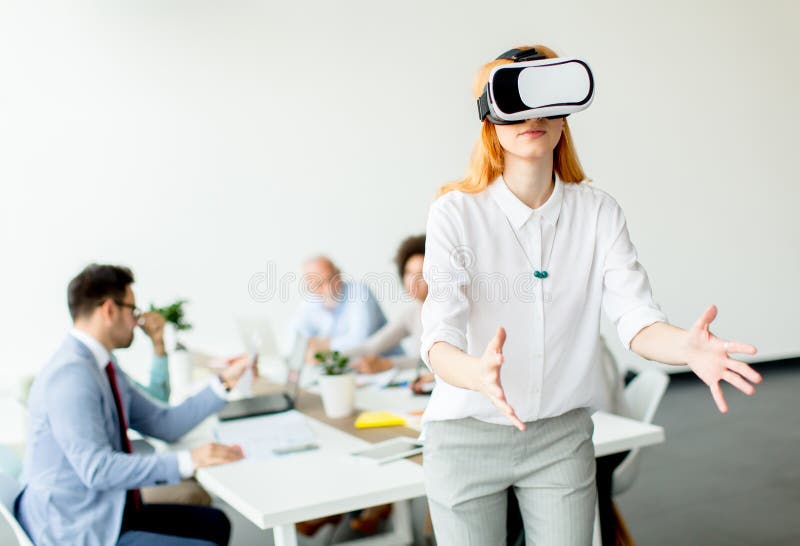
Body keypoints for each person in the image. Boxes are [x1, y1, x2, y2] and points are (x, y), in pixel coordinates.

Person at [420, 45, 762, 545]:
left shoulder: (598, 213)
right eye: (516, 99)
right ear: (489, 119)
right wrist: (474, 373)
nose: (532, 116)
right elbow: (439, 337)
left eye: (546, 99)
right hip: (465, 437)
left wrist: (685, 348)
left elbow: (637, 320)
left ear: (565, 115)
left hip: (562, 437)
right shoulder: (456, 214)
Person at [16, 264, 251, 546]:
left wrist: (224, 383)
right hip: (78, 528)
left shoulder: (102, 365)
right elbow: (98, 470)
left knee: (215, 523)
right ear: (109, 310)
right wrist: (188, 461)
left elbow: (164, 424)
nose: (137, 322)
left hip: (105, 509)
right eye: (133, 310)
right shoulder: (71, 375)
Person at [292, 256, 403, 361]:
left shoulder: (358, 292)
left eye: (331, 278)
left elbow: (360, 341)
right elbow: (295, 345)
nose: (329, 288)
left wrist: (323, 345)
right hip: (353, 373)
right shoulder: (309, 305)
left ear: (338, 272)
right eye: (319, 284)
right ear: (310, 288)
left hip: (390, 367)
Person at [346, 234, 428, 374]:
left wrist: (388, 364)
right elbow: (370, 347)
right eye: (409, 273)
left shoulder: (447, 313)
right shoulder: (411, 313)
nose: (413, 281)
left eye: (421, 274)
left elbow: (433, 363)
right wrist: (330, 358)